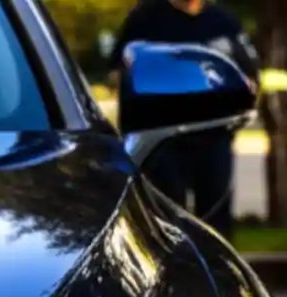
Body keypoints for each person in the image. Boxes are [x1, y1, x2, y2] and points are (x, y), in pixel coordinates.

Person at [109, 0, 260, 239]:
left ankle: (216, 272)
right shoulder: (144, 19)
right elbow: (121, 73)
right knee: (163, 223)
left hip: (214, 136)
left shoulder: (224, 22)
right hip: (160, 139)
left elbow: (248, 75)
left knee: (216, 225)